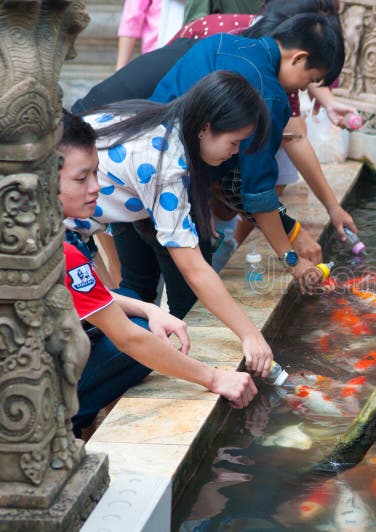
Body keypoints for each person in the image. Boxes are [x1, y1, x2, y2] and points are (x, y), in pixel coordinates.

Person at [65, 70, 277, 379]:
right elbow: (193, 268)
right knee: (124, 334)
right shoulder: (163, 161)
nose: (235, 152)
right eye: (234, 142)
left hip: (78, 236)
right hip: (65, 240)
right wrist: (250, 335)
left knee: (115, 315)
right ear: (206, 129)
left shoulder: (158, 123)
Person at [58, 111, 257, 437]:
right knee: (142, 339)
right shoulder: (63, 249)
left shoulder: (53, 230)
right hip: (26, 395)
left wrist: (151, 308)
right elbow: (128, 338)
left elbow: (90, 294)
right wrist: (215, 377)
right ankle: (66, 423)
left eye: (97, 173)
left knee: (139, 310)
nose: (96, 187)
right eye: (82, 179)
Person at [151, 13, 344, 293]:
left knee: (140, 282)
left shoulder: (219, 42)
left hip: (141, 161)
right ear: (298, 58)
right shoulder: (269, 96)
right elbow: (257, 191)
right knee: (189, 295)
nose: (301, 89)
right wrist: (291, 259)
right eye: (308, 80)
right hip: (174, 186)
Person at [117, 0, 162, 70]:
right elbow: (132, 16)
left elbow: (132, 16)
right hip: (156, 50)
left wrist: (120, 67)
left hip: (156, 51)